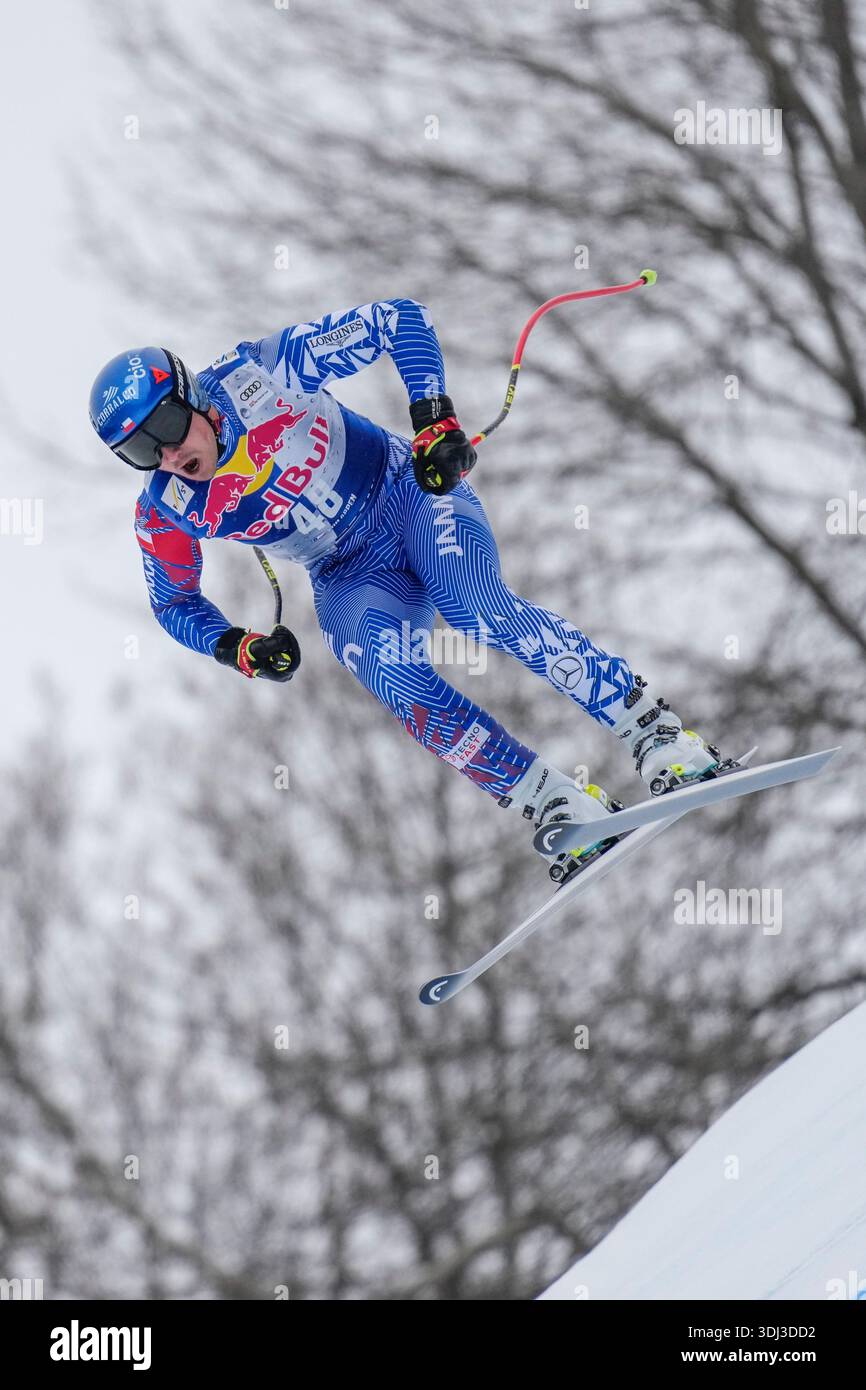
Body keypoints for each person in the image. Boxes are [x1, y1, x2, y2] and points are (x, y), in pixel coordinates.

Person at [88, 298, 720, 882]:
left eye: (166, 425)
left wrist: (432, 420)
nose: (166, 452)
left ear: (194, 395)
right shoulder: (166, 507)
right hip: (347, 570)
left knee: (474, 609)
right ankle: (553, 800)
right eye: (138, 450)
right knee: (392, 678)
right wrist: (236, 647)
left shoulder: (263, 373)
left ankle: (655, 732)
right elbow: (172, 601)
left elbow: (400, 321)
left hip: (404, 494)